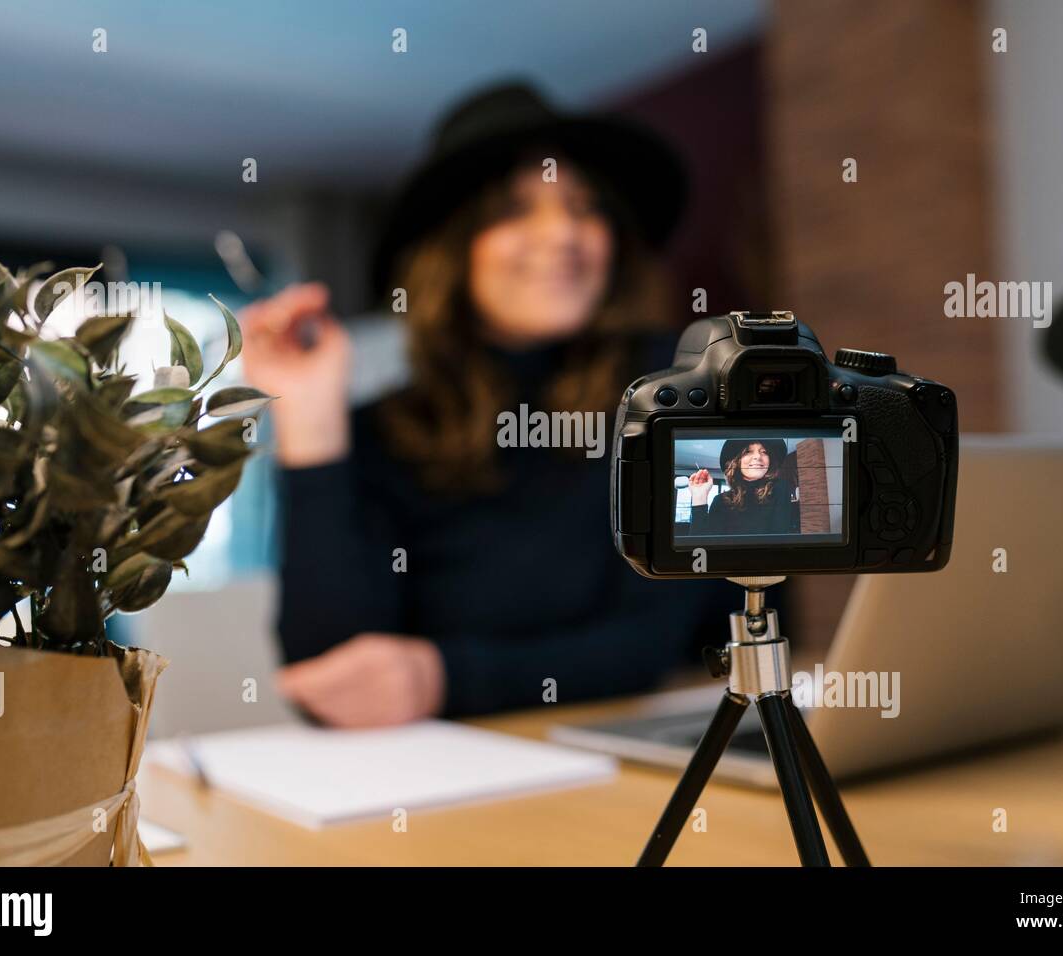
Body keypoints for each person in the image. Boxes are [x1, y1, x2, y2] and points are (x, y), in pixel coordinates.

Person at [241, 82, 737, 726]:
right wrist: (309, 424)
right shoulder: (384, 431)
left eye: (586, 207)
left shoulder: (677, 389)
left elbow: (663, 640)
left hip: (649, 754)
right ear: (453, 250)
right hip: (454, 788)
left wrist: (439, 677)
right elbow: (331, 680)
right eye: (513, 209)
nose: (562, 233)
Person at [688, 439, 800, 537]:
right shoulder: (720, 501)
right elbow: (701, 548)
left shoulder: (780, 488)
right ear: (736, 462)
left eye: (764, 452)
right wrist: (699, 497)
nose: (758, 456)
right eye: (747, 451)